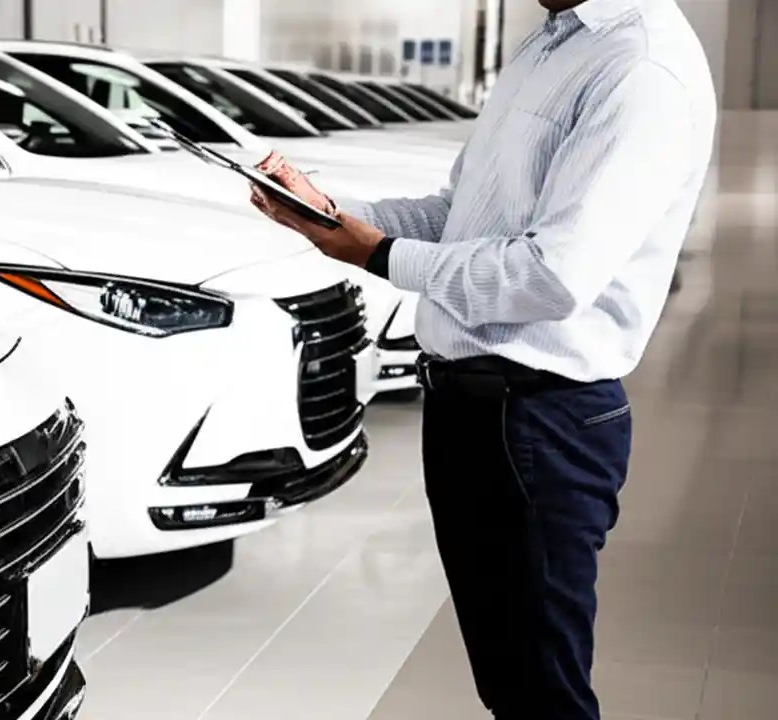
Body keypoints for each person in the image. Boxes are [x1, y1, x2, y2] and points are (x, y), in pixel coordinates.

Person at [249, 0, 716, 718]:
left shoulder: (642, 67)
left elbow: (552, 276)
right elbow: (458, 212)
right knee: (509, 680)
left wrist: (373, 252)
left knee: (541, 693)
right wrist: (330, 213)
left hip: (538, 421)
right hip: (474, 407)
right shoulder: (548, 47)